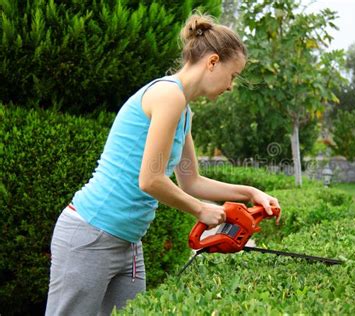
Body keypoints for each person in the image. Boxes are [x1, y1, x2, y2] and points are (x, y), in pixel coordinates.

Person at [45, 13, 281, 316]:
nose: (231, 86)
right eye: (232, 75)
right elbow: (150, 179)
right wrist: (200, 209)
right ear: (212, 62)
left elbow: (191, 181)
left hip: (129, 243)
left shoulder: (184, 111)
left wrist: (250, 193)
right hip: (91, 232)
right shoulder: (168, 95)